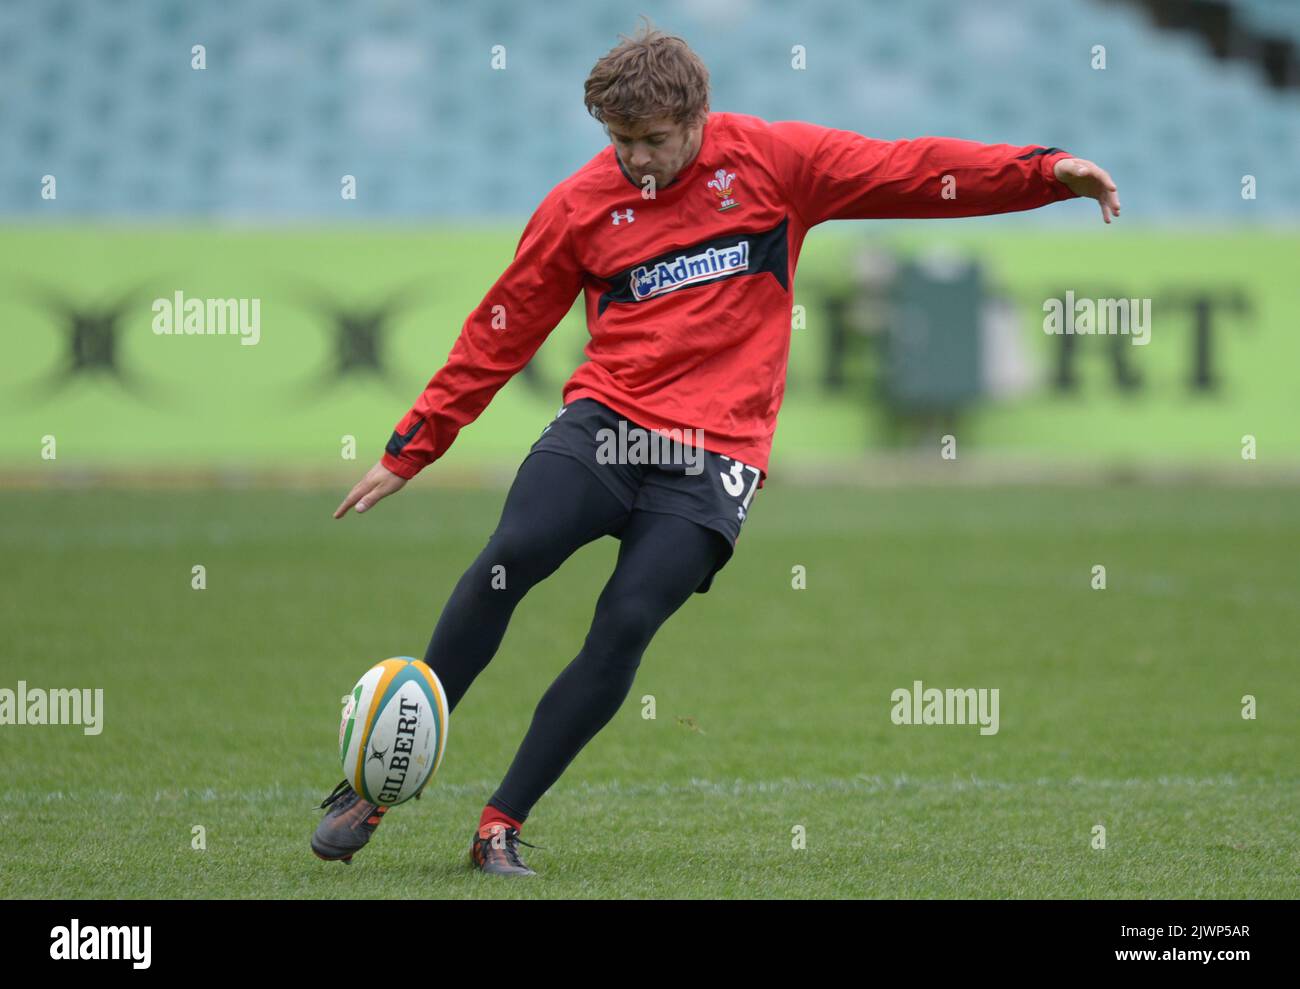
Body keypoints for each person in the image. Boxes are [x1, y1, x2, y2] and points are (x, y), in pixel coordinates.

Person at [310, 21, 1120, 876]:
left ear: (698, 117)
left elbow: (911, 169)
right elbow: (501, 329)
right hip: (608, 422)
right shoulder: (578, 205)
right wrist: (413, 445)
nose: (636, 159)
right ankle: (376, 781)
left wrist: (1044, 173)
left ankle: (500, 823)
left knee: (624, 624)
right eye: (619, 141)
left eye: (653, 140)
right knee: (510, 555)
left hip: (716, 451)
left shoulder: (776, 162)